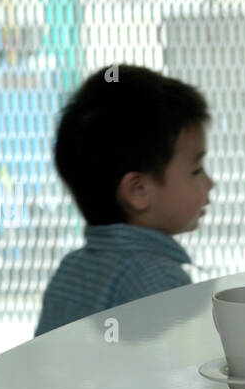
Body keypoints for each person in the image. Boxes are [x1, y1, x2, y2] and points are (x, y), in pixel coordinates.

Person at [35, 65, 215, 336]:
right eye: (196, 170)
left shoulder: (70, 269)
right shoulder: (158, 279)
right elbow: (178, 372)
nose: (210, 183)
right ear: (138, 190)